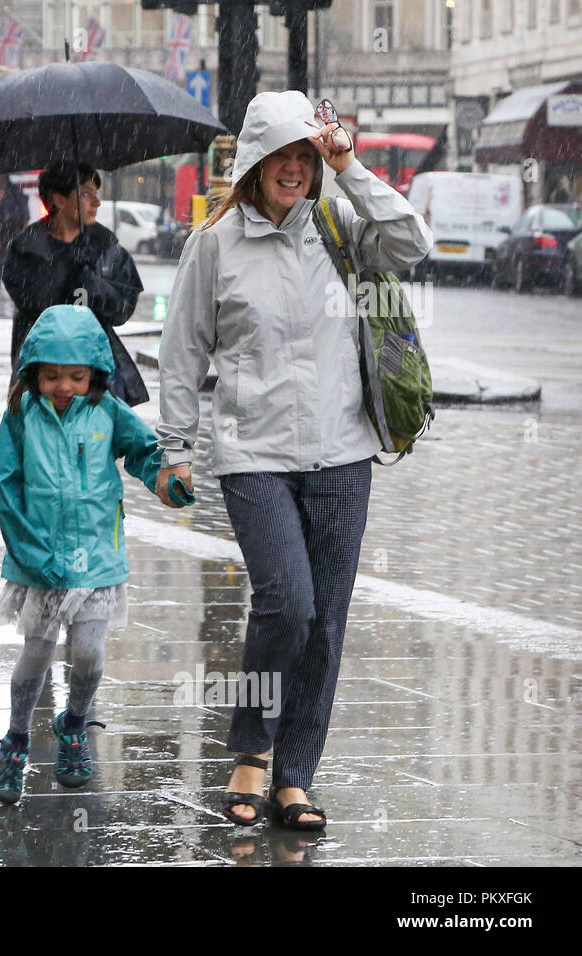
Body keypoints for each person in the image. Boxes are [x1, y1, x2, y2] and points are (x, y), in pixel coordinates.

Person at [155, 90, 431, 830]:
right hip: (254, 453)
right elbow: (182, 354)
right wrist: (174, 450)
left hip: (343, 450)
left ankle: (295, 776)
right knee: (290, 604)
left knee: (328, 622)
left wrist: (351, 167)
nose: (295, 169)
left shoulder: (340, 226)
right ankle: (250, 749)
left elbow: (413, 243)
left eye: (306, 157)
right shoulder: (215, 244)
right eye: (283, 154)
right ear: (254, 162)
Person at [0, 304, 175, 805]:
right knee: (37, 652)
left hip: (96, 558)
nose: (64, 385)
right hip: (40, 560)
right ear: (33, 374)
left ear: (95, 373)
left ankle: (74, 723)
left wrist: (165, 477)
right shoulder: (21, 416)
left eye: (76, 375)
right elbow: (7, 483)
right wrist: (28, 550)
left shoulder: (108, 412)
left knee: (89, 654)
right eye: (51, 376)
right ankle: (16, 737)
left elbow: (142, 451)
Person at [3, 162, 149, 407]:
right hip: (44, 369)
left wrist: (93, 283)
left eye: (96, 193)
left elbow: (122, 308)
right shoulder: (27, 248)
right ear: (59, 200)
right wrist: (65, 270)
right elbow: (34, 304)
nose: (96, 202)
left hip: (96, 369)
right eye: (86, 193)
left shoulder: (105, 246)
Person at [0, 176, 30, 286]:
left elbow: (23, 206)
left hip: (14, 223)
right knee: (4, 249)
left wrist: (25, 221)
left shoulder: (15, 189)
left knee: (8, 249)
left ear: (5, 178)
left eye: (0, 178)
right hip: (4, 223)